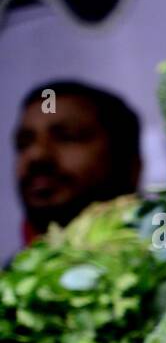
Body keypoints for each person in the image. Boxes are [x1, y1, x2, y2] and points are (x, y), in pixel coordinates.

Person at [12, 80, 141, 246]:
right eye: (24, 143)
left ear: (130, 163)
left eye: (67, 137)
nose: (36, 155)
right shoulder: (8, 272)